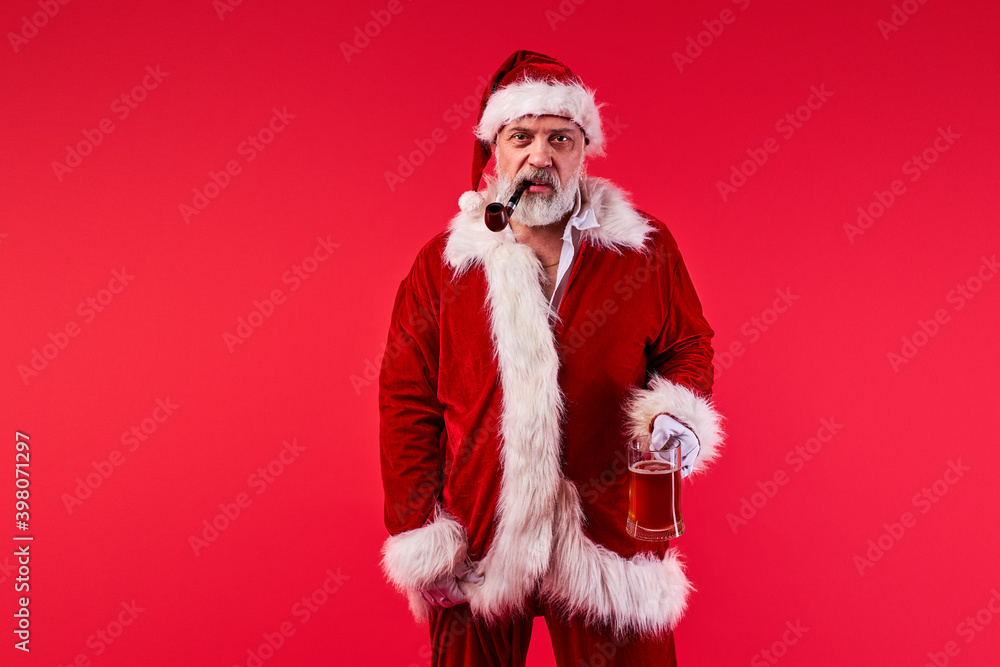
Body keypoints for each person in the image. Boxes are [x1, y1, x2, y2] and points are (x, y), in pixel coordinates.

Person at [378, 50, 724, 666]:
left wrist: (676, 412)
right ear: (495, 149)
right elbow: (407, 398)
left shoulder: (644, 249)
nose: (540, 156)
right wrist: (418, 532)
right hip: (479, 531)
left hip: (610, 527)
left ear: (583, 149)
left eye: (559, 138)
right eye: (522, 137)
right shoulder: (442, 266)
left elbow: (686, 345)